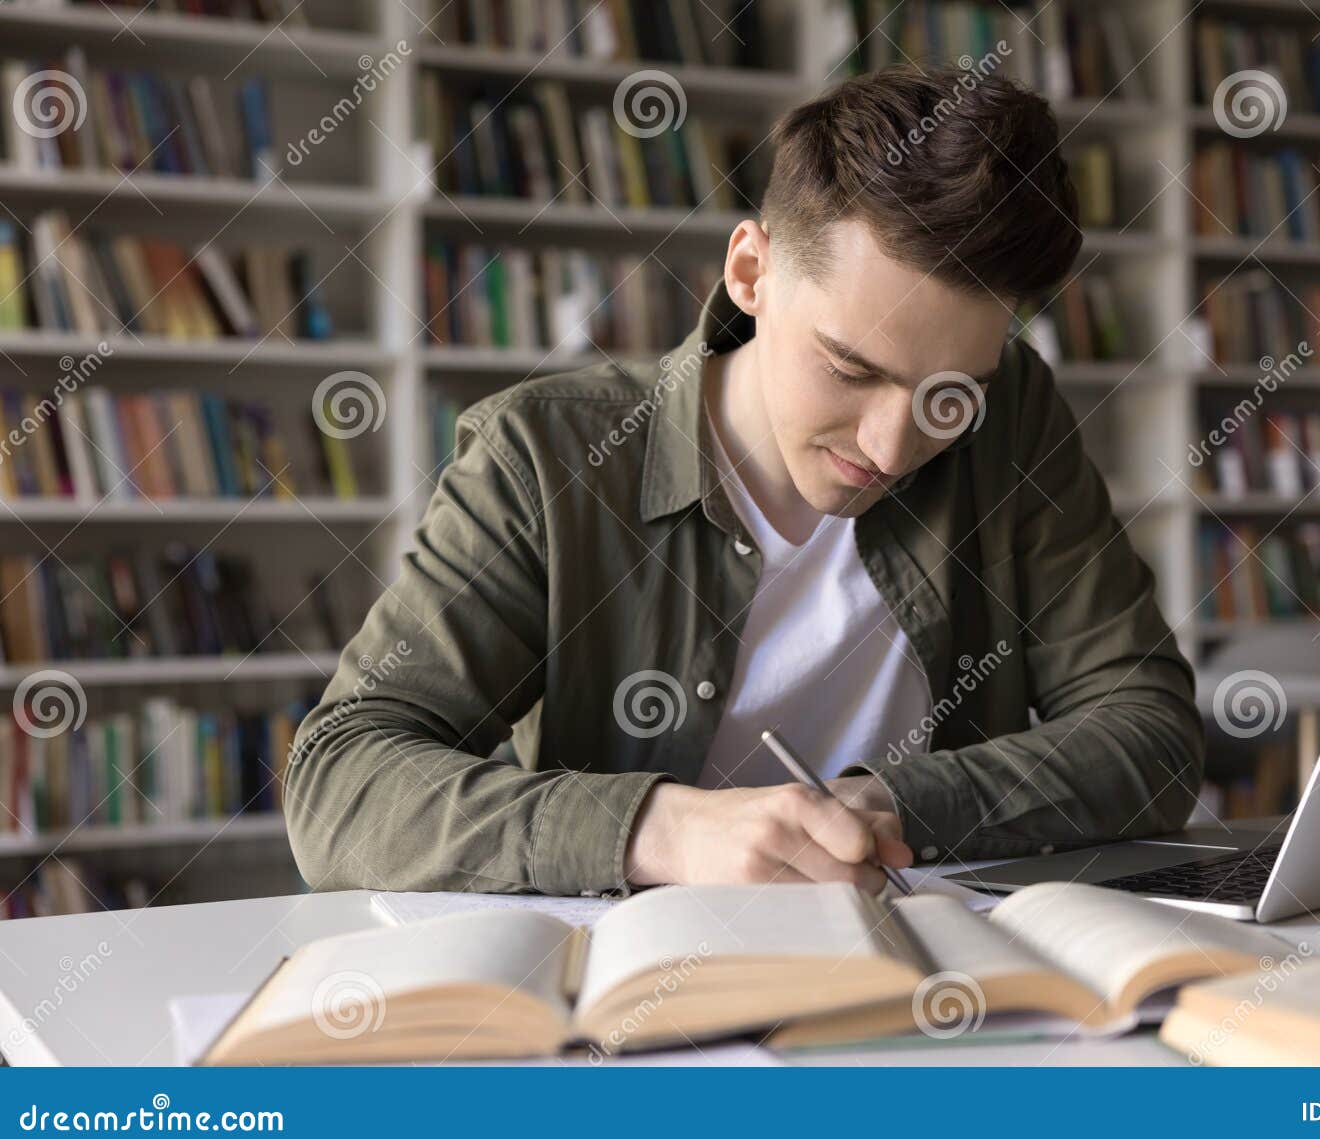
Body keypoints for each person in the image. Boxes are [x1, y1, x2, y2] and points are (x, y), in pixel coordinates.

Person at [283, 64, 1204, 897]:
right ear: (751, 271)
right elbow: (338, 776)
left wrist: (888, 804)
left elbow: (1150, 731)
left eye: (949, 396)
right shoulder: (544, 457)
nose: (889, 447)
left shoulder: (1015, 415)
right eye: (850, 368)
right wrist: (657, 828)